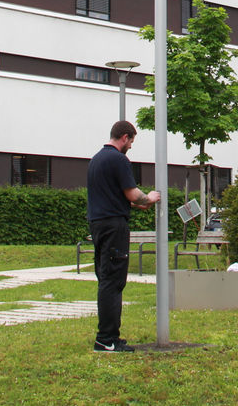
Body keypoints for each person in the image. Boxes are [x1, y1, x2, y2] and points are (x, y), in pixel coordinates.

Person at [87, 120, 160, 353]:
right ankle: (106, 339)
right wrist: (149, 198)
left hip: (98, 224)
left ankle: (109, 337)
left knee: (105, 277)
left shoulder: (96, 160)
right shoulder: (119, 160)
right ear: (125, 137)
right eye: (131, 142)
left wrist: (136, 204)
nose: (131, 146)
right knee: (113, 281)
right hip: (114, 227)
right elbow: (133, 193)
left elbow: (113, 196)